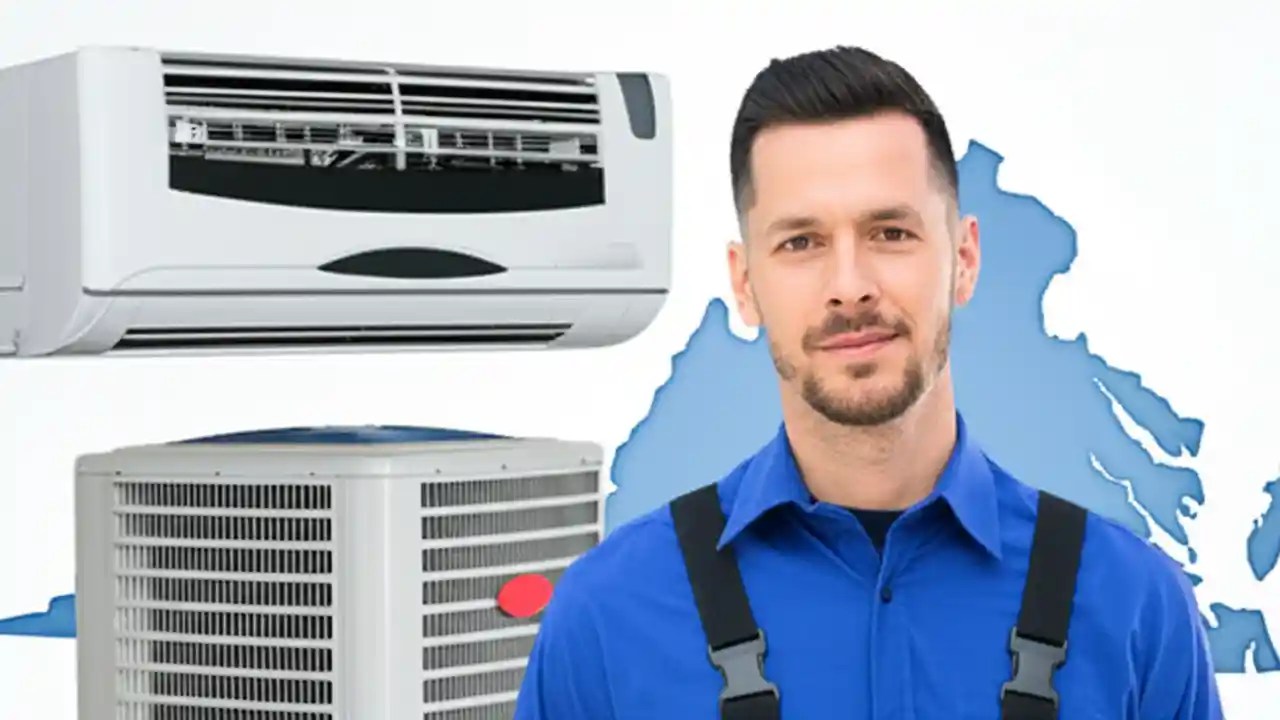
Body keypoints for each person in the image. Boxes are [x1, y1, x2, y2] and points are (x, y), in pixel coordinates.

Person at [513, 45, 1223, 719]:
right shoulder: (605, 617)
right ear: (745, 283)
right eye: (801, 242)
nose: (849, 288)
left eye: (890, 233)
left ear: (965, 259)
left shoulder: (1137, 608)